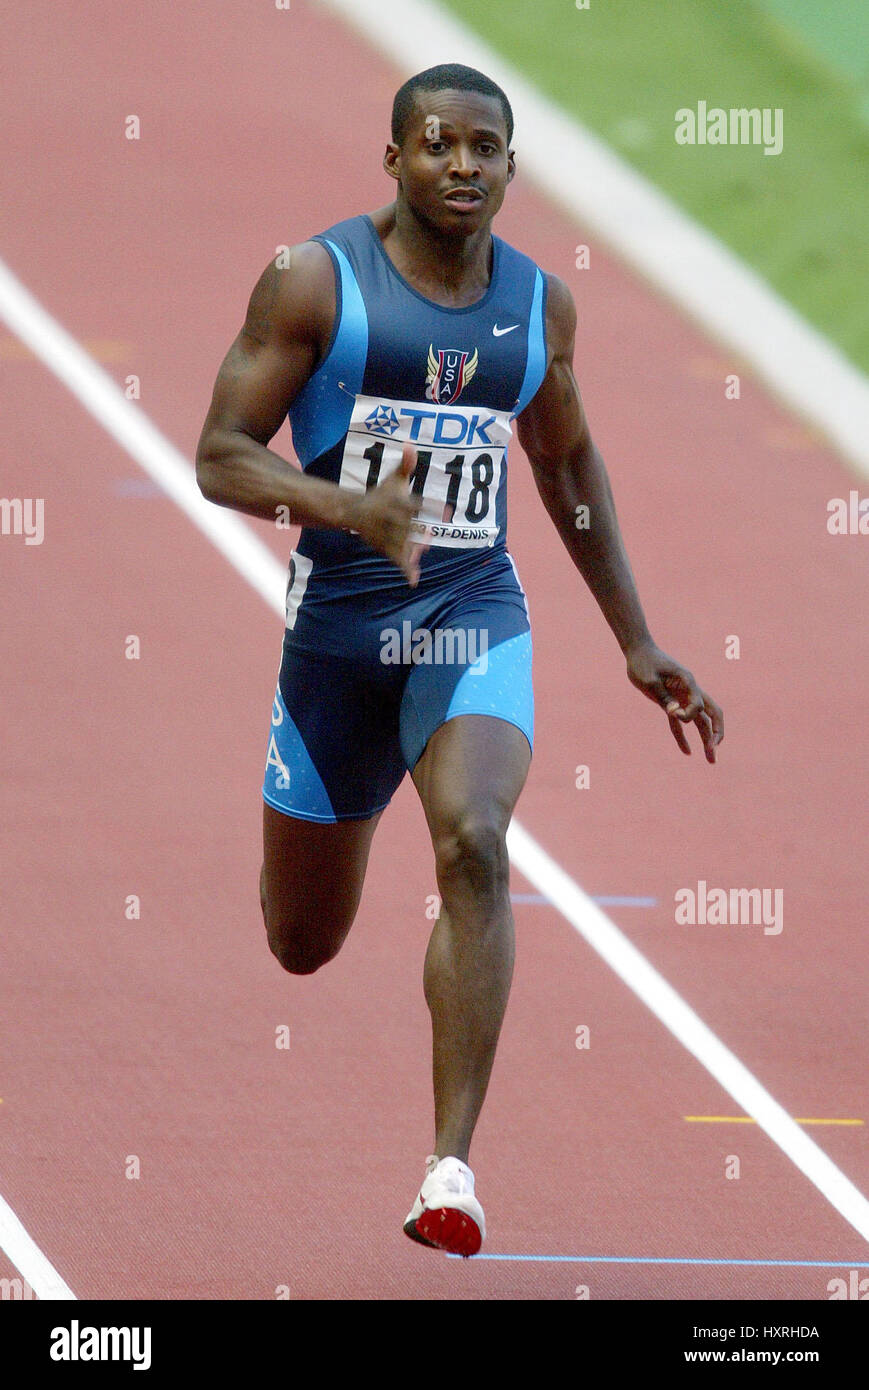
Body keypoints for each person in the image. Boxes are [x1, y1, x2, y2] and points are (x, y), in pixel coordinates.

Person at [195, 63, 724, 1258]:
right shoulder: (315, 282)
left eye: (484, 148)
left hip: (470, 614)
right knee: (300, 942)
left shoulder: (537, 309)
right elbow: (220, 455)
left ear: (510, 166)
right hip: (338, 638)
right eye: (437, 144)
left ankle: (449, 1169)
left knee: (476, 842)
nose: (462, 165)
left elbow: (564, 461)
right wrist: (345, 507)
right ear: (394, 159)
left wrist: (634, 637)